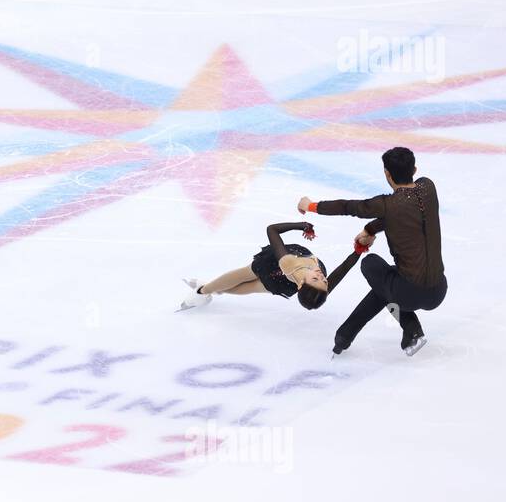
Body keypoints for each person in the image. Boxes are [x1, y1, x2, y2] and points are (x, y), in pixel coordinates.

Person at [297, 146, 447, 356]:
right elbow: (406, 213)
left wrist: (310, 205)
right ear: (414, 170)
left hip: (408, 293)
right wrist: (370, 229)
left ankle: (410, 327)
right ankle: (344, 336)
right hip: (438, 291)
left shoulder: (388, 204)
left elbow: (347, 207)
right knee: (385, 286)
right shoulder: (428, 187)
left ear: (387, 174)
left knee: (371, 263)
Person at [178, 220, 364, 311]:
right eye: (323, 279)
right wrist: (357, 251)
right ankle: (212, 290)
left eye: (316, 278)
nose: (321, 276)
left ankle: (202, 291)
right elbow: (342, 271)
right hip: (281, 279)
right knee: (247, 282)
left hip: (275, 268)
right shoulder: (319, 289)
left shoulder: (289, 263)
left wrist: (302, 225)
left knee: (246, 279)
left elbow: (272, 229)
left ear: (301, 285)